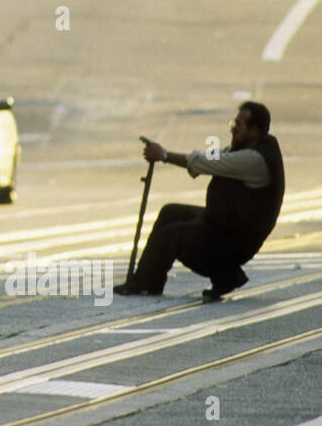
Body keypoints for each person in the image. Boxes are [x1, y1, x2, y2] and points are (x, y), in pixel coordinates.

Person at [116, 101, 284, 302]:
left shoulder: (254, 160)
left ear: (254, 131)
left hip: (232, 240)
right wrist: (169, 155)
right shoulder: (247, 149)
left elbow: (209, 163)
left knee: (171, 236)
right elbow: (213, 156)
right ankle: (147, 281)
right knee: (170, 212)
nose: (233, 129)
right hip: (223, 225)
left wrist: (164, 155)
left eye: (237, 126)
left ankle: (225, 273)